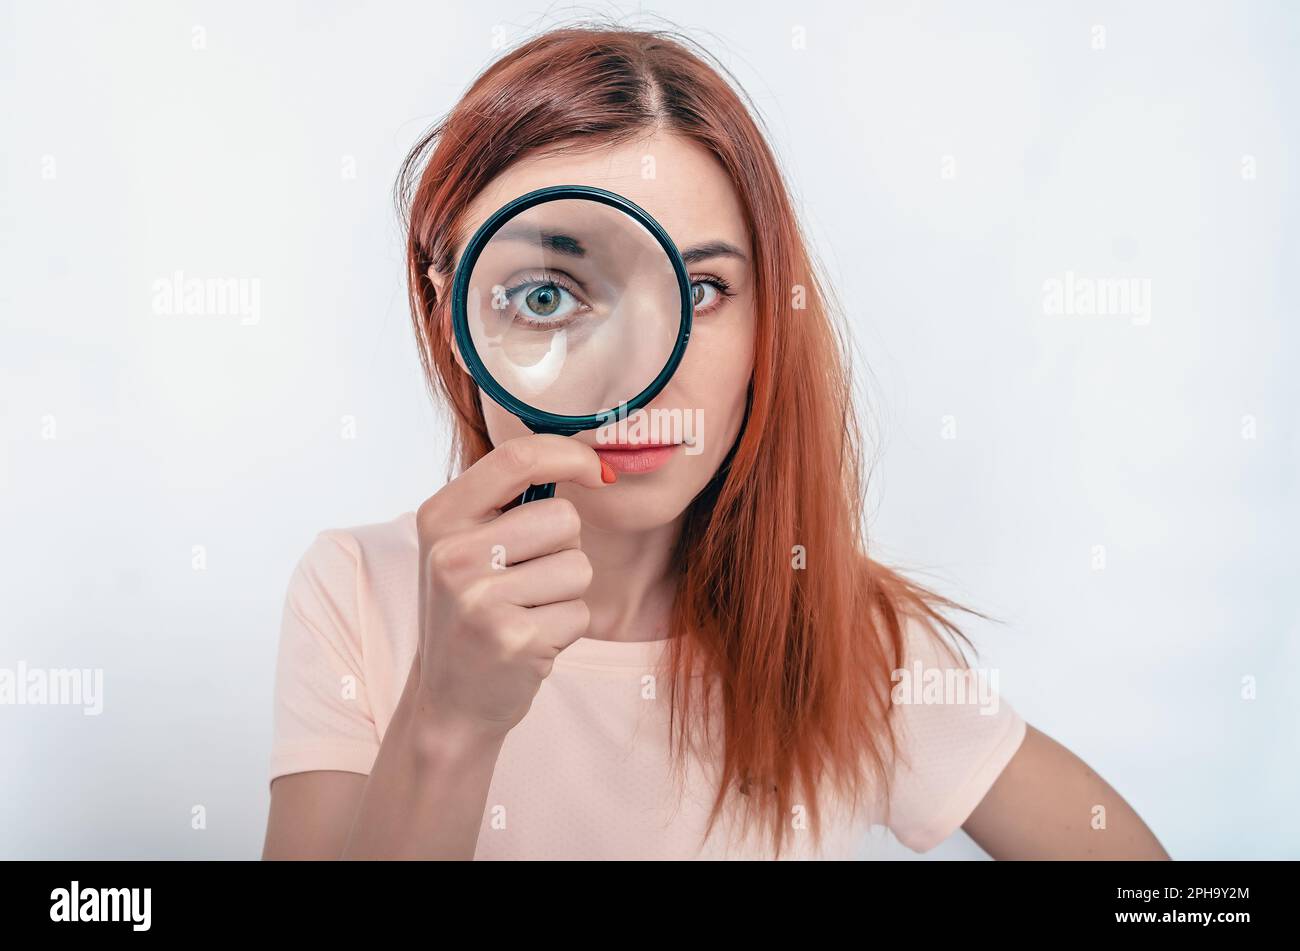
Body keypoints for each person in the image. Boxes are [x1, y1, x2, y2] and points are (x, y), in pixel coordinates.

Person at [262, 24, 1169, 860]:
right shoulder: (356, 593)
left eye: (699, 292)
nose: (636, 376)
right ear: (452, 314)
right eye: (547, 294)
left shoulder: (841, 639)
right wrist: (448, 720)